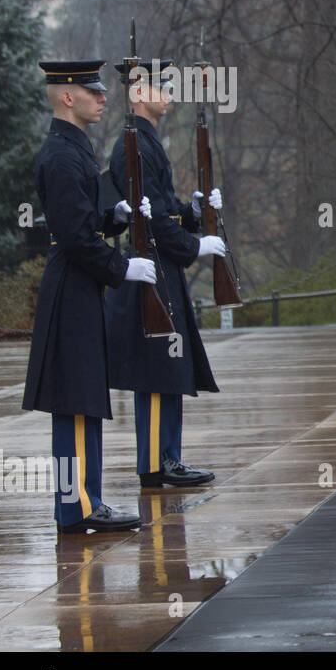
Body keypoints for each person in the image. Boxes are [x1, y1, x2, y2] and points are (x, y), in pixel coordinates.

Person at [22, 60, 155, 532]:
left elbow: (84, 219)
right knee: (75, 401)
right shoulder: (61, 155)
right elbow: (75, 237)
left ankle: (84, 500)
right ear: (66, 97)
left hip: (80, 284)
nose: (102, 98)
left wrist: (113, 217)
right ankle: (77, 506)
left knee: (83, 399)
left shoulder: (74, 149)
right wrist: (122, 267)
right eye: (91, 91)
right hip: (73, 286)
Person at [105, 57, 221, 488]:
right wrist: (194, 246)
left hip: (161, 268)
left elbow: (164, 209)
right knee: (156, 369)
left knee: (170, 367)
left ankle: (168, 454)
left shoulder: (148, 143)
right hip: (150, 270)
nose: (170, 94)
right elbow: (149, 224)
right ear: (139, 93)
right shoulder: (132, 147)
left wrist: (191, 215)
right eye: (161, 87)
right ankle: (156, 461)